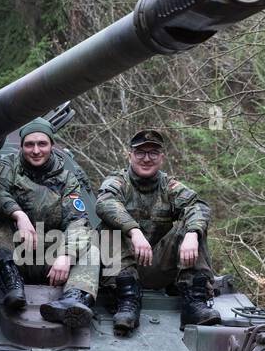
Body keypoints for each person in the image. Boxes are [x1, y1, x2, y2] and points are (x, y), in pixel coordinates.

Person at [94, 129, 221, 335]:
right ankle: (127, 302)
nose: (146, 159)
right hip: (121, 270)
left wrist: (192, 234)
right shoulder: (118, 181)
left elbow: (197, 206)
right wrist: (133, 231)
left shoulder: (169, 186)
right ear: (130, 156)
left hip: (157, 266)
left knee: (193, 226)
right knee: (108, 228)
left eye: (153, 153)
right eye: (140, 153)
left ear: (162, 157)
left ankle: (194, 302)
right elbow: (105, 203)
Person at [0, 118, 98, 328]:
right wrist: (19, 215)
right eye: (29, 144)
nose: (36, 150)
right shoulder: (9, 165)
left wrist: (66, 256)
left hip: (51, 261)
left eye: (42, 144)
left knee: (92, 244)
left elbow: (77, 221)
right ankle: (12, 284)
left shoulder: (66, 178)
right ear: (22, 146)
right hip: (13, 256)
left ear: (52, 145)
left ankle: (73, 299)